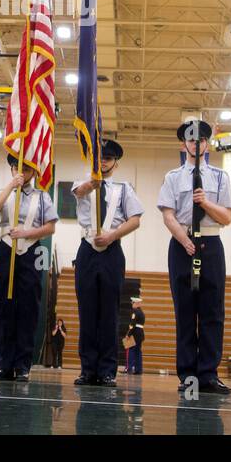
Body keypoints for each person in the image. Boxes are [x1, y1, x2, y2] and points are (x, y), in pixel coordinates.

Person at [158, 119, 231, 396]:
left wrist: (206, 202)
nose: (195, 143)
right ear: (184, 144)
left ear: (206, 143)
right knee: (185, 312)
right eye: (190, 139)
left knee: (213, 312)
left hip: (211, 244)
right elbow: (168, 214)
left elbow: (226, 217)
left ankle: (209, 374)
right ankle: (188, 375)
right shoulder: (172, 177)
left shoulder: (220, 177)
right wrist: (184, 240)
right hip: (182, 245)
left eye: (201, 139)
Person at [71, 138, 143, 387]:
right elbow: (78, 193)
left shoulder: (124, 188)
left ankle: (107, 370)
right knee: (87, 311)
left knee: (110, 313)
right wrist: (93, 182)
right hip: (87, 250)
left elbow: (135, 219)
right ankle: (87, 369)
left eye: (108, 159)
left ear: (116, 163)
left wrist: (113, 235)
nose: (103, 162)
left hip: (112, 250)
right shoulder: (83, 182)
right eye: (100, 158)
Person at [0, 156, 58, 382]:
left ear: (34, 171)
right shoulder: (4, 192)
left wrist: (26, 234)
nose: (23, 172)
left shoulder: (42, 196)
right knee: (4, 308)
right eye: (18, 167)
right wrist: (10, 186)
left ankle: (23, 365)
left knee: (28, 307)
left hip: (32, 251)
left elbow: (50, 227)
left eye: (27, 168)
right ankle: (5, 364)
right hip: (6, 248)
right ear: (11, 169)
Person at [125, 297, 145, 375]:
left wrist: (128, 334)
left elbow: (132, 325)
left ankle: (129, 369)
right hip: (140, 334)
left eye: (133, 303)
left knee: (131, 351)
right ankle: (138, 370)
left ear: (136, 304)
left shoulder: (135, 312)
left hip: (135, 334)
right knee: (138, 352)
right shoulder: (142, 312)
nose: (132, 304)